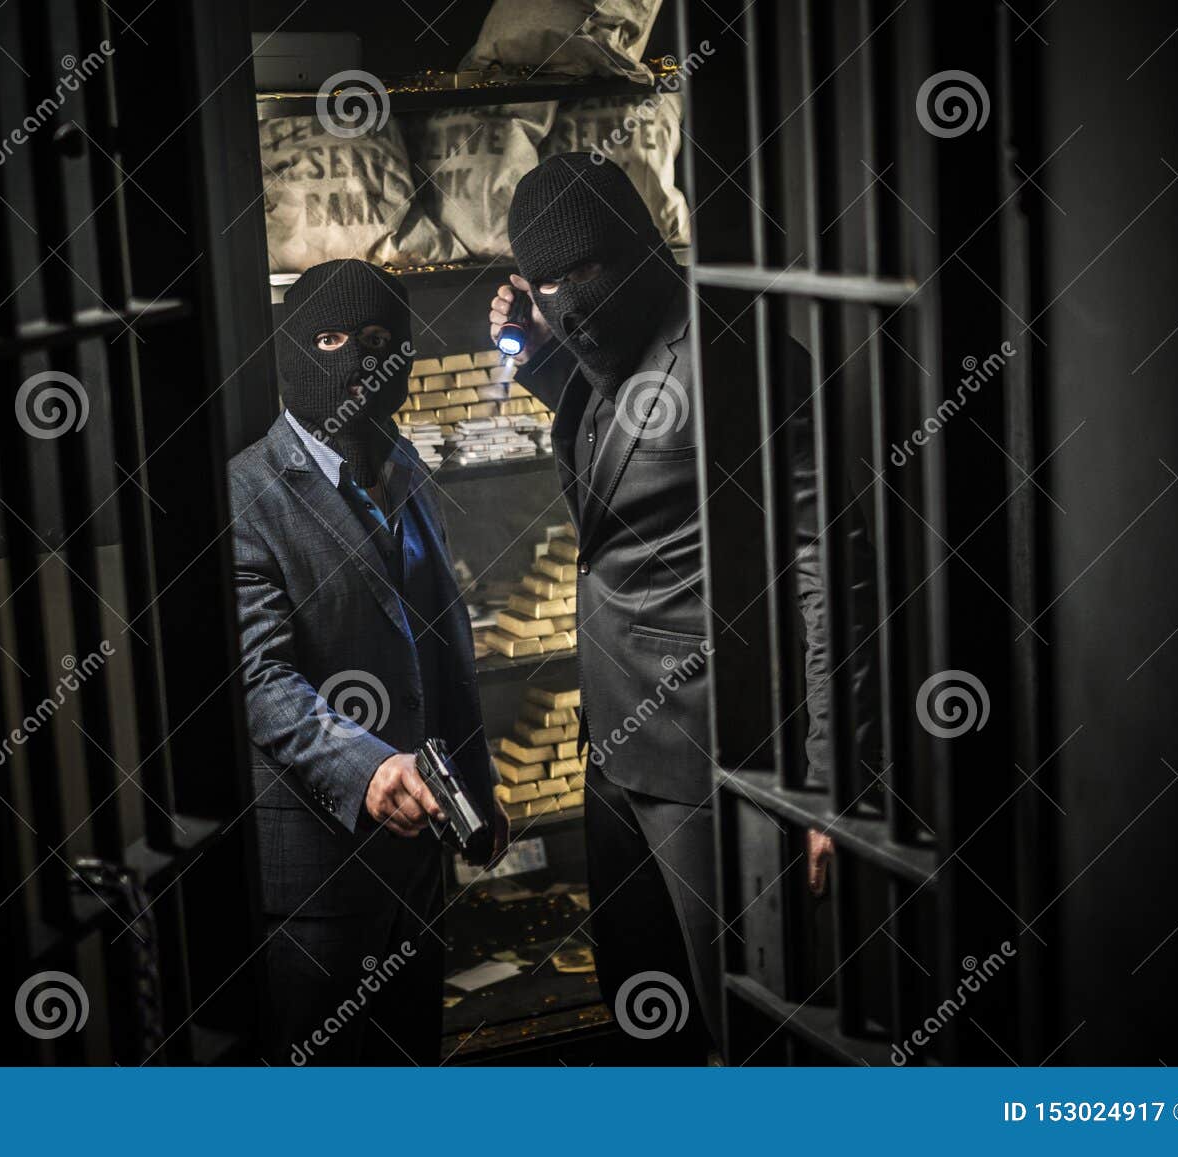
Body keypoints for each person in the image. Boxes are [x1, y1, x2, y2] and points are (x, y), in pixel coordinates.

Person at [488, 154, 877, 1061]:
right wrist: (541, 360)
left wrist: (833, 781)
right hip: (612, 754)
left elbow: (830, 570)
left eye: (584, 272)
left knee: (747, 1032)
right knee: (642, 1010)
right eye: (547, 284)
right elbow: (623, 470)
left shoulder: (737, 357)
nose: (569, 301)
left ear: (635, 246)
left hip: (711, 761)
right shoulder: (598, 355)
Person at [228, 258, 505, 1065]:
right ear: (295, 350)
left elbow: (444, 640)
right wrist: (369, 768)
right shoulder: (247, 495)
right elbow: (262, 679)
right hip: (320, 878)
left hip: (416, 865)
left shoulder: (405, 465)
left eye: (380, 341)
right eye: (330, 340)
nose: (357, 361)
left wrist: (477, 782)